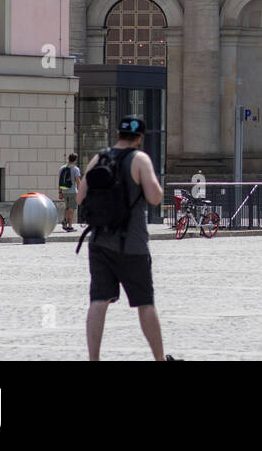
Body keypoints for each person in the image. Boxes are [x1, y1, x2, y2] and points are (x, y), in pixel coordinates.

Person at [78, 116, 173, 361]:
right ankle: (159, 359)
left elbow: (80, 197)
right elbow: (154, 197)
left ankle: (93, 359)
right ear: (139, 138)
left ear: (118, 134)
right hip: (132, 244)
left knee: (98, 301)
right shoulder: (140, 159)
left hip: (99, 242)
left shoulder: (99, 158)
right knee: (145, 303)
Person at [59, 153, 82, 232]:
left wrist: (60, 192)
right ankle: (70, 226)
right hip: (72, 191)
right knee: (72, 209)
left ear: (68, 159)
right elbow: (78, 181)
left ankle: (65, 220)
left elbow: (60, 181)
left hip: (64, 191)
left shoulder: (62, 168)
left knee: (67, 207)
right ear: (75, 160)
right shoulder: (75, 169)